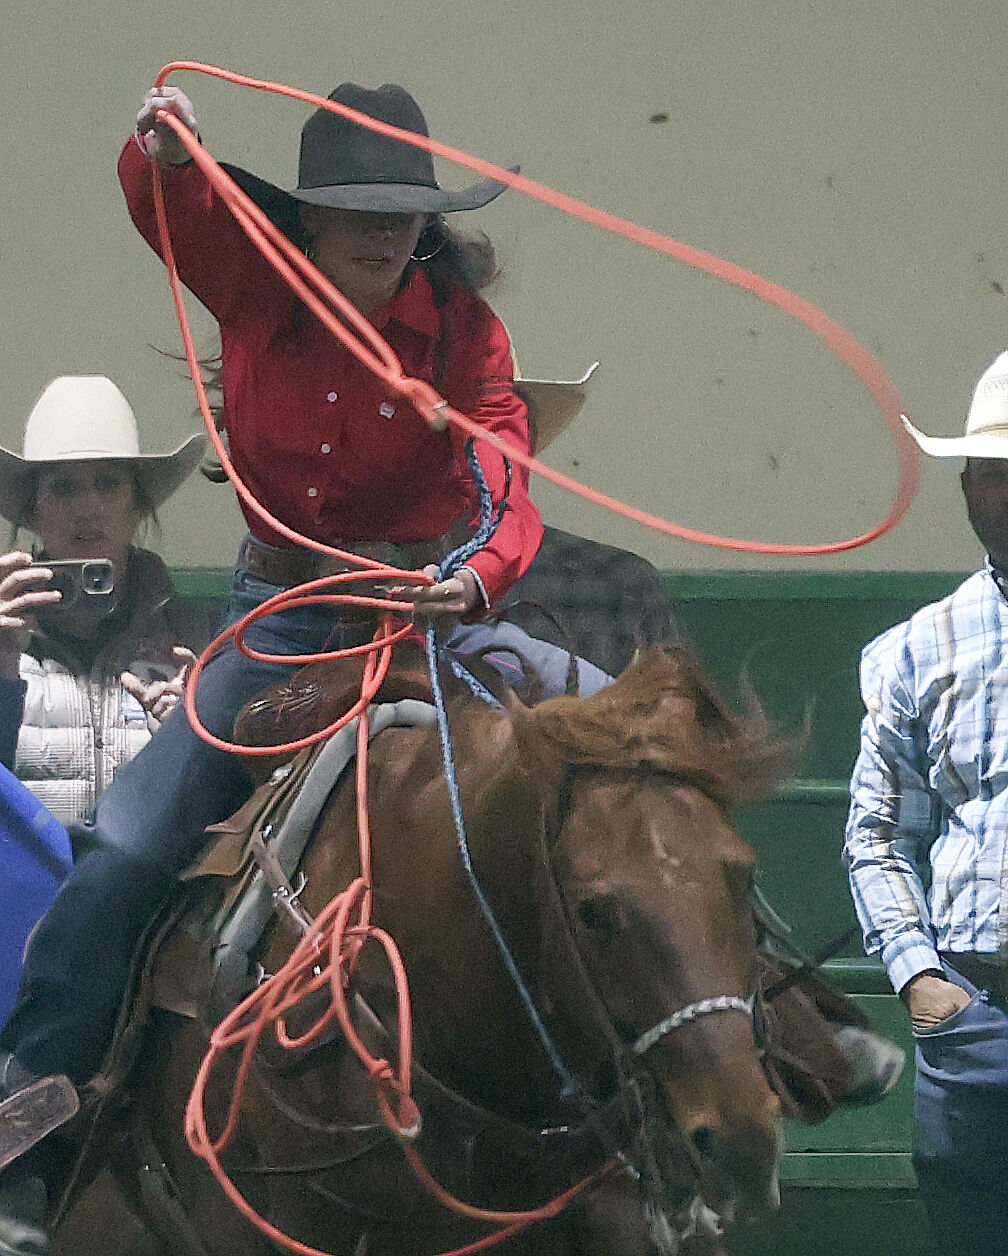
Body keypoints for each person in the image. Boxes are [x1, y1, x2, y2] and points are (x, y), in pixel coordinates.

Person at [0, 82, 610, 1254]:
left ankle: (743, 1042)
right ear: (311, 219)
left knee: (625, 751)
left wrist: (475, 578)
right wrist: (160, 145)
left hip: (427, 608)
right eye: (354, 208)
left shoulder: (466, 331)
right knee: (132, 838)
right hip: (280, 615)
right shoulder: (252, 285)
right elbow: (168, 204)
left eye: (401, 209)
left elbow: (504, 479)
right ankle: (30, 1119)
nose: (382, 230)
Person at [844, 351, 1008, 1256]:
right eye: (992, 473)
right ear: (967, 488)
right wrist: (924, 981)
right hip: (976, 1018)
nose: (1007, 491)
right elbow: (877, 834)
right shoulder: (916, 650)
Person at [0, 375, 204, 826]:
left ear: (138, 505)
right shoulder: (2, 632)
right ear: (32, 510)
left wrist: (193, 740)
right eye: (63, 487)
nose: (87, 506)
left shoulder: (195, 641)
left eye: (108, 483)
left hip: (147, 897)